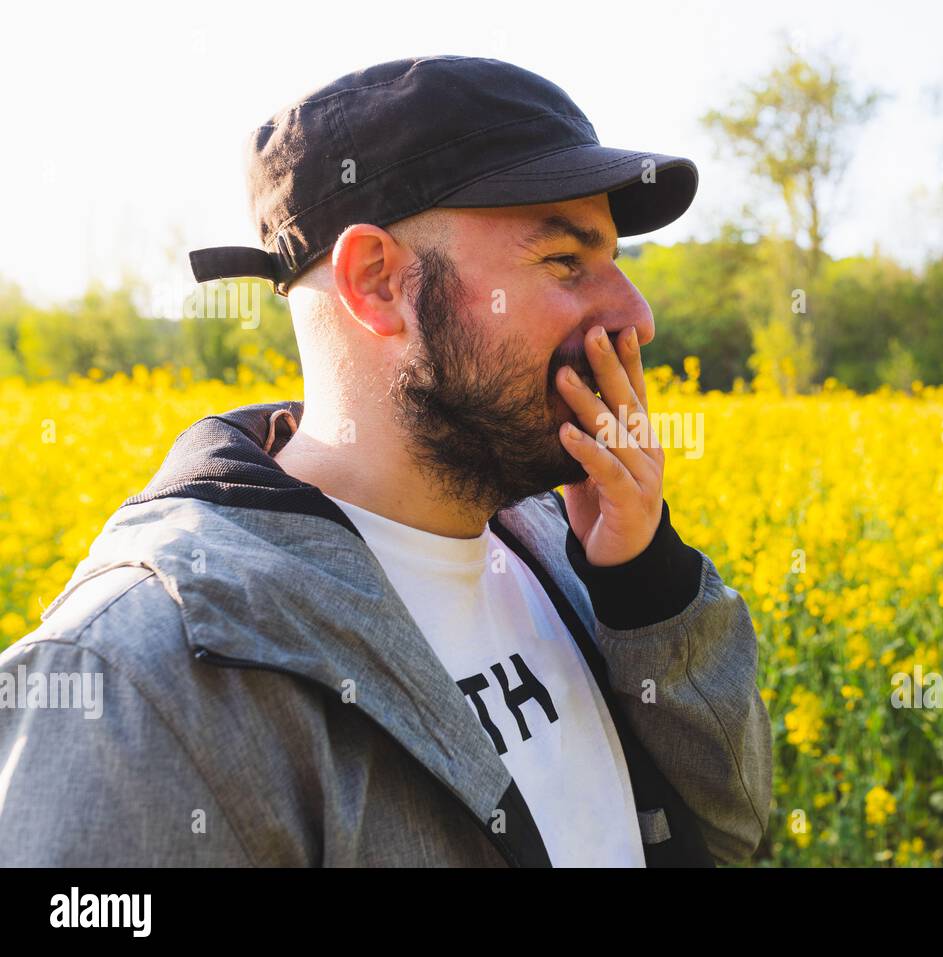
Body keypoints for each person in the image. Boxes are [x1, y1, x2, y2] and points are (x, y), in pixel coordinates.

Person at [0, 56, 773, 867]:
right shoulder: (135, 687)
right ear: (376, 283)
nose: (636, 316)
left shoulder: (575, 552)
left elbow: (731, 827)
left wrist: (645, 584)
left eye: (618, 261)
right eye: (565, 262)